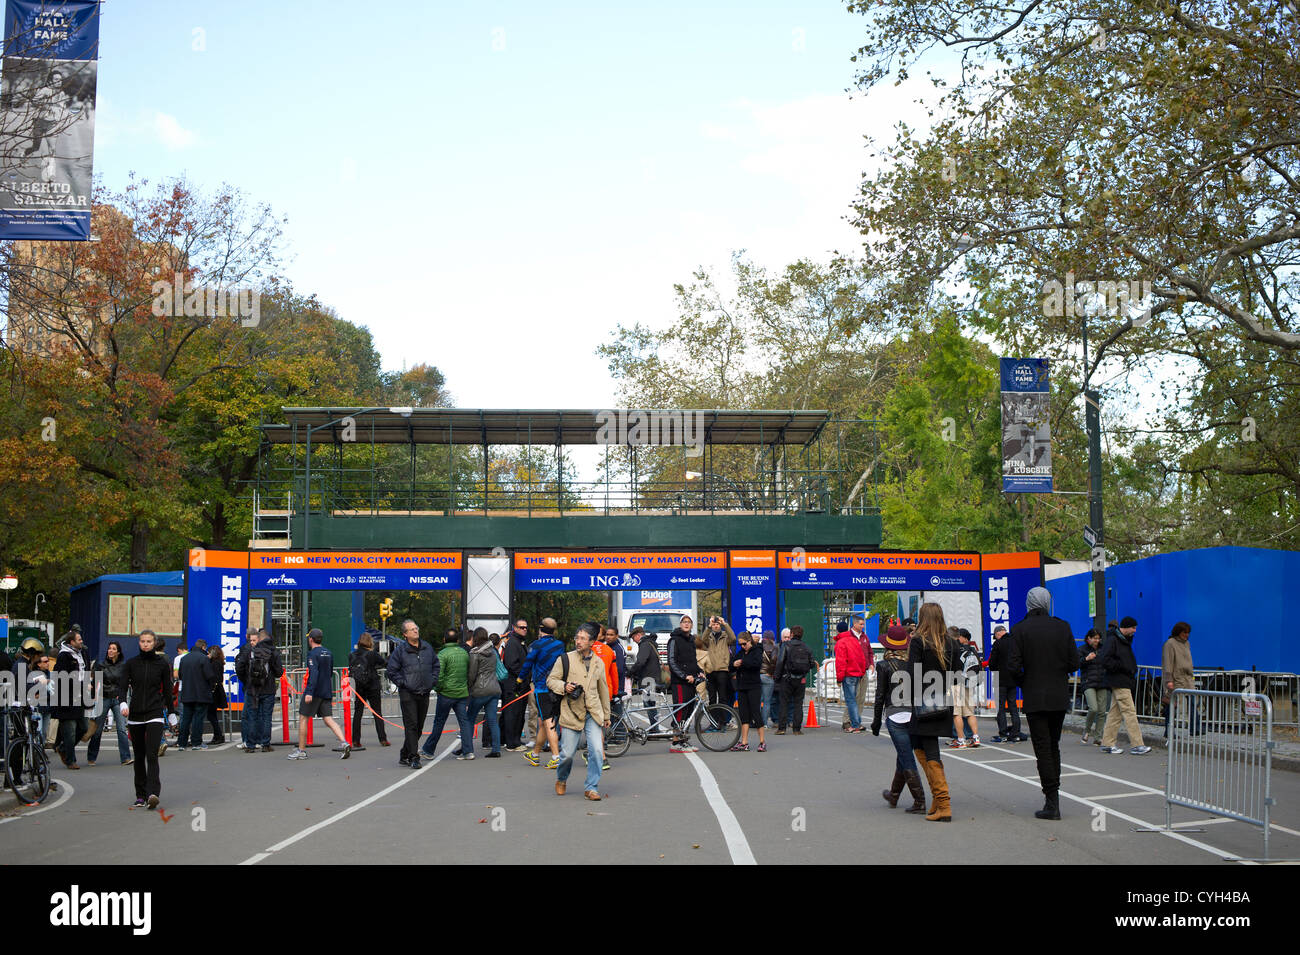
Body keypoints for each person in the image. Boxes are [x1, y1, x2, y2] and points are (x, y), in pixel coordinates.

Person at [1008, 586, 1079, 820]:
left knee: (1042, 748)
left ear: (1029, 603)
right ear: (1048, 603)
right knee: (1053, 745)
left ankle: (1051, 801)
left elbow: (1013, 666)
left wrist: (1025, 680)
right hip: (1058, 695)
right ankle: (1054, 796)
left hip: (1034, 696)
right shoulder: (1063, 626)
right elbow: (1073, 662)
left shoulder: (1019, 630)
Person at [907, 603, 961, 822]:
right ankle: (937, 802)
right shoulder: (951, 643)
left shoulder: (918, 641)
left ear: (923, 618)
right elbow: (957, 674)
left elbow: (912, 674)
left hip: (923, 702)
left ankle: (944, 804)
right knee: (920, 746)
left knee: (929, 750)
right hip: (942, 701)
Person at [547, 622, 610, 801]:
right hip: (571, 711)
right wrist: (564, 686)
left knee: (597, 751)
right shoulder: (565, 659)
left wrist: (606, 714)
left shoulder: (598, 662)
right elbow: (551, 680)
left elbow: (603, 689)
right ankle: (561, 778)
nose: (578, 641)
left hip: (593, 712)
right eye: (577, 638)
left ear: (592, 642)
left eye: (583, 638)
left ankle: (591, 787)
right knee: (567, 754)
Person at [872, 624, 925, 812]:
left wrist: (876, 721)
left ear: (888, 647)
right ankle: (893, 796)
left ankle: (919, 800)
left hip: (895, 715)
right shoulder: (912, 663)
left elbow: (880, 696)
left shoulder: (883, 666)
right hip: (913, 714)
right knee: (903, 757)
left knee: (906, 757)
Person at [122, 629, 172, 809]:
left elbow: (167, 689)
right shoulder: (131, 663)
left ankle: (153, 793)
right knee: (139, 755)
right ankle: (140, 795)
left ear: (154, 643)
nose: (145, 644)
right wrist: (122, 703)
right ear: (139, 643)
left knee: (152, 754)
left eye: (149, 641)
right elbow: (122, 686)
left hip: (154, 714)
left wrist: (172, 713)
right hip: (135, 715)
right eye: (142, 641)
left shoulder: (162, 664)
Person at [288, 629, 351, 760]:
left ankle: (301, 750)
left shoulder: (312, 654)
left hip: (314, 691)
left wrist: (309, 691)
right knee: (328, 719)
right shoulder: (328, 653)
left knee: (303, 718)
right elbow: (329, 672)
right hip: (326, 690)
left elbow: (314, 673)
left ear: (311, 639)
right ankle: (344, 742)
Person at [386, 619, 438, 769]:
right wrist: (403, 683)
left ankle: (404, 752)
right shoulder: (400, 651)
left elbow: (436, 665)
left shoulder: (427, 647)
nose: (415, 631)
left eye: (416, 628)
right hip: (408, 693)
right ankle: (414, 757)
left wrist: (432, 680)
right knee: (411, 725)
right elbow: (391, 671)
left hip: (424, 691)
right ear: (405, 634)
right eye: (412, 629)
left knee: (419, 726)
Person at [1098, 616, 1150, 755]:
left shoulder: (1118, 639)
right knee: (1129, 712)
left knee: (1115, 714)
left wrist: (1122, 667)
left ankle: (1107, 743)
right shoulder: (1115, 640)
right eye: (1133, 627)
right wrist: (1122, 667)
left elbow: (1106, 659)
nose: (1135, 630)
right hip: (1120, 680)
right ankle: (1137, 744)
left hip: (1120, 679)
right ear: (1126, 627)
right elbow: (1104, 659)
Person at [421, 624, 473, 761]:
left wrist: (438, 688)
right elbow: (469, 672)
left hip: (446, 694)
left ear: (444, 640)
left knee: (439, 722)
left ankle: (429, 750)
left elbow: (439, 675)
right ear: (457, 640)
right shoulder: (464, 653)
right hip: (461, 693)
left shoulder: (442, 654)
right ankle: (468, 751)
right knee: (464, 722)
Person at [519, 620, 565, 767]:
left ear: (541, 630)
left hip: (542, 687)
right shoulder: (560, 645)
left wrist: (519, 680)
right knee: (544, 721)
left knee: (548, 722)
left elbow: (527, 664)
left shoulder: (536, 645)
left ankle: (556, 756)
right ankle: (535, 754)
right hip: (557, 687)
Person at [236, 629, 283, 753]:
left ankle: (250, 745)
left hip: (253, 689)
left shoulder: (250, 651)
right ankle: (265, 744)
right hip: (268, 689)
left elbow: (239, 667)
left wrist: (247, 680)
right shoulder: (273, 652)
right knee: (266, 717)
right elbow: (279, 672)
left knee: (252, 716)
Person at [52, 627, 92, 770]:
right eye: (79, 639)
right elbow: (62, 678)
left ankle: (63, 748)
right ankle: (70, 760)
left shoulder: (82, 654)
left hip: (80, 697)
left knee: (84, 727)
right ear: (71, 642)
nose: (81, 641)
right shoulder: (64, 656)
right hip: (66, 698)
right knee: (70, 731)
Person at [87, 641, 131, 766]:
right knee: (97, 729)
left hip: (118, 698)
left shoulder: (123, 666)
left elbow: (126, 682)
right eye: (109, 648)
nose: (110, 651)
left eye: (113, 649)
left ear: (118, 652)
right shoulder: (101, 665)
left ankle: (126, 757)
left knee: (122, 728)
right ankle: (91, 757)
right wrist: (92, 700)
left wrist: (122, 695)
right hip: (104, 697)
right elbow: (95, 682)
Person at [465, 628, 503, 758]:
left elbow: (472, 674)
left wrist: (469, 687)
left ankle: (467, 748)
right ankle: (496, 749)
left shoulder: (475, 653)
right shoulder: (493, 651)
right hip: (494, 688)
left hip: (480, 690)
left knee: (470, 719)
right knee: (492, 721)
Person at [348, 632, 389, 748]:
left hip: (359, 685)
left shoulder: (352, 655)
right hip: (373, 685)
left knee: (358, 713)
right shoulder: (372, 654)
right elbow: (384, 663)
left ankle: (355, 740)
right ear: (370, 642)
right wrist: (376, 667)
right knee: (377, 712)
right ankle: (383, 739)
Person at [666, 624, 702, 753]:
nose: (686, 624)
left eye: (689, 622)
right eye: (684, 622)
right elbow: (671, 661)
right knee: (680, 710)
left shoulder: (691, 640)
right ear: (680, 625)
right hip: (680, 682)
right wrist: (684, 675)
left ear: (692, 625)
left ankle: (683, 741)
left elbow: (693, 661)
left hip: (691, 681)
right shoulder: (674, 640)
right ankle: (676, 742)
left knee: (689, 711)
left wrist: (700, 671)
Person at [729, 631, 766, 752]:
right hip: (742, 686)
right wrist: (734, 664)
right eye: (740, 644)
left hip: (754, 686)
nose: (742, 646)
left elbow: (756, 664)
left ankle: (762, 742)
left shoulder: (757, 650)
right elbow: (730, 666)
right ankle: (744, 742)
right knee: (743, 714)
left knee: (756, 713)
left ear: (750, 642)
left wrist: (742, 663)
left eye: (744, 644)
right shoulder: (740, 652)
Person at [988, 624, 1025, 743]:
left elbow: (992, 663)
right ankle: (1016, 733)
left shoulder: (998, 644)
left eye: (996, 636)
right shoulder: (1015, 642)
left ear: (998, 633)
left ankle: (1003, 733)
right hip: (1013, 679)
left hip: (1001, 680)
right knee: (1013, 707)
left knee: (1001, 708)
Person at [774, 625, 814, 735]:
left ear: (791, 634)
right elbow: (811, 663)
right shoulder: (806, 647)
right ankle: (797, 729)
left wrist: (777, 677)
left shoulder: (786, 645)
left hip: (787, 678)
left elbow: (780, 662)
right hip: (800, 679)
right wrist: (803, 672)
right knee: (798, 704)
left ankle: (782, 728)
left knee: (784, 703)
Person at [176, 639, 215, 751]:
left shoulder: (184, 658)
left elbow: (180, 675)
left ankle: (182, 743)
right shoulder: (204, 659)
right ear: (203, 647)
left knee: (186, 719)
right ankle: (196, 742)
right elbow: (209, 676)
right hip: (201, 694)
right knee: (198, 718)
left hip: (187, 693)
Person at [1161, 622, 1197, 738]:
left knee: (1192, 702)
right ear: (1178, 632)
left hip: (1187, 678)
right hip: (1175, 678)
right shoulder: (1170, 644)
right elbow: (1168, 662)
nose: (1187, 635)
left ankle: (1195, 728)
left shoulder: (1187, 644)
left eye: (1188, 633)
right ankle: (1169, 730)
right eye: (1184, 633)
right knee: (1172, 705)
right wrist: (1168, 680)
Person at [947, 628, 982, 748]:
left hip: (956, 682)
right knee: (969, 712)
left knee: (956, 713)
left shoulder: (953, 649)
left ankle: (961, 739)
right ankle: (975, 737)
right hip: (968, 683)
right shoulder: (971, 650)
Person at [499, 618, 529, 751]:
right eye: (521, 627)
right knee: (513, 714)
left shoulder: (520, 642)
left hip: (520, 685)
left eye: (526, 627)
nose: (524, 629)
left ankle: (510, 739)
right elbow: (512, 664)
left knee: (518, 714)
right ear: (514, 627)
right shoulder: (512, 643)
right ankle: (512, 743)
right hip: (513, 685)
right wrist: (523, 676)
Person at [833, 619, 868, 732]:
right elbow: (862, 658)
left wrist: (839, 678)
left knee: (851, 700)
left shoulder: (840, 643)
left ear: (838, 632)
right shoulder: (854, 640)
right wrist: (862, 672)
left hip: (848, 675)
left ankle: (855, 724)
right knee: (856, 700)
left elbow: (841, 662)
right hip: (857, 673)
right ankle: (857, 722)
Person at [701, 615, 737, 718]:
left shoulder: (725, 636)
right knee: (712, 698)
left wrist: (725, 624)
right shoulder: (709, 637)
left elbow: (733, 638)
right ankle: (714, 721)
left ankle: (723, 720)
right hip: (711, 671)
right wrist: (708, 626)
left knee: (723, 697)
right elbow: (703, 640)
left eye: (717, 624)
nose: (716, 626)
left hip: (722, 670)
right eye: (714, 624)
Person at [1077, 628, 1108, 745]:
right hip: (1088, 682)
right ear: (1088, 638)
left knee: (1102, 711)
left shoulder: (1103, 648)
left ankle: (1098, 737)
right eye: (1094, 638)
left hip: (1102, 682)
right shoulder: (1082, 649)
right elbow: (1076, 663)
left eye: (1098, 638)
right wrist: (1086, 659)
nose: (1097, 640)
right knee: (1093, 708)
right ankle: (1087, 730)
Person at [207, 644, 227, 744]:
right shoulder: (219, 662)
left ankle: (218, 735)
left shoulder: (214, 663)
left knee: (211, 714)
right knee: (212, 714)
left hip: (213, 690)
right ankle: (218, 735)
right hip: (217, 689)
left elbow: (213, 677)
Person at [759, 631, 777, 727]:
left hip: (758, 676)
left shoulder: (758, 646)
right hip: (767, 677)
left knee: (758, 700)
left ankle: (757, 722)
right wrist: (770, 672)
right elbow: (774, 660)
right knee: (766, 702)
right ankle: (764, 723)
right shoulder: (774, 647)